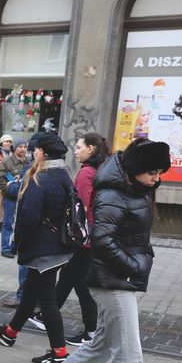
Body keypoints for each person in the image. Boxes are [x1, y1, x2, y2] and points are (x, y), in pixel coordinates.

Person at [30, 138, 170, 363]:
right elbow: (102, 240)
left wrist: (139, 261)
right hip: (111, 280)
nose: (156, 178)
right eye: (152, 172)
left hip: (119, 278)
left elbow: (131, 238)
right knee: (129, 350)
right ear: (136, 169)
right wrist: (135, 265)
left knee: (102, 345)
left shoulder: (134, 189)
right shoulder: (113, 193)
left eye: (160, 172)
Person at [0, 132, 75, 363]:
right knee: (30, 292)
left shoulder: (40, 179)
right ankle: (10, 332)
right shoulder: (65, 175)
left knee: (46, 300)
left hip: (42, 248)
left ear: (42, 153)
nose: (32, 153)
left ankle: (59, 352)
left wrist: (17, 244)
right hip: (59, 244)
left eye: (35, 150)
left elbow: (28, 218)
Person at [55, 132, 109, 345]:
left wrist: (73, 235)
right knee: (68, 275)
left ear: (91, 149)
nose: (75, 151)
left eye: (79, 147)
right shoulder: (100, 170)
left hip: (84, 238)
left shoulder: (86, 173)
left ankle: (91, 330)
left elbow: (80, 208)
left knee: (81, 283)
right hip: (92, 234)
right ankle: (46, 312)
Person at [0, 141, 29, 261]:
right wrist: (9, 189)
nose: (23, 149)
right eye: (20, 147)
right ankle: (5, 248)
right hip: (10, 198)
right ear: (15, 148)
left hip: (24, 198)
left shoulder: (29, 162)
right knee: (8, 223)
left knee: (20, 224)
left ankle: (15, 247)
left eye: (25, 147)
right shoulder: (7, 162)